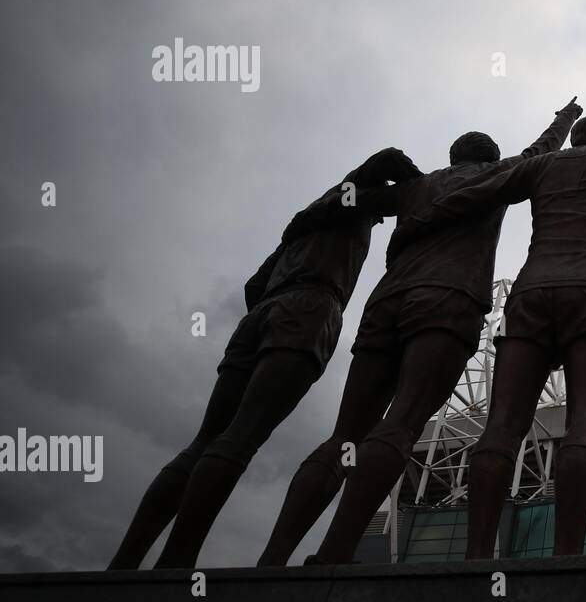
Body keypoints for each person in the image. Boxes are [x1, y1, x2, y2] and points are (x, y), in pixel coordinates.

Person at [258, 97, 583, 566]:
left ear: (453, 155)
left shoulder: (415, 188)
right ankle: (334, 553)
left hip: (386, 301)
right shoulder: (501, 175)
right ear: (490, 158)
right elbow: (542, 151)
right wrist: (566, 117)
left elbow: (345, 203)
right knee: (402, 423)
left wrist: (347, 187)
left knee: (343, 437)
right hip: (447, 302)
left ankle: (273, 558)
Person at [107, 148, 421, 569]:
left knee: (205, 439)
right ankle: (177, 561)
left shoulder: (301, 223)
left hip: (262, 313)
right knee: (242, 437)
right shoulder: (351, 197)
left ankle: (126, 561)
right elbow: (390, 162)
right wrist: (420, 186)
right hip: (309, 309)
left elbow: (253, 285)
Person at [387, 113, 586, 558]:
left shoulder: (544, 166)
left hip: (531, 295)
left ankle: (475, 559)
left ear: (579, 138)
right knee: (585, 425)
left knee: (501, 428)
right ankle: (567, 558)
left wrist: (418, 223)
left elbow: (477, 193)